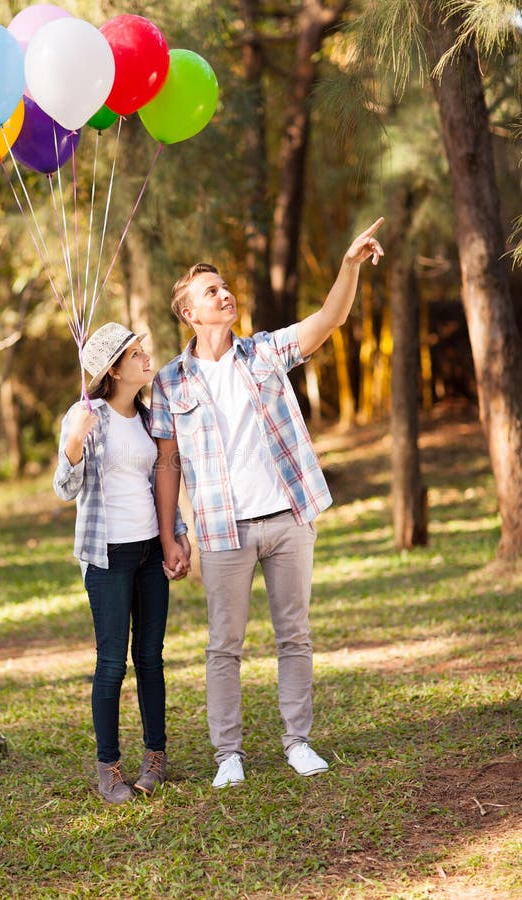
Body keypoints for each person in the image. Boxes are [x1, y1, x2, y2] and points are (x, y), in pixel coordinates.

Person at [151, 219, 385, 788]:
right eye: (211, 291)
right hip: (222, 530)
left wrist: (348, 266)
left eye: (225, 286)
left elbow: (329, 321)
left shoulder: (263, 353)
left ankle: (297, 742)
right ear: (190, 314)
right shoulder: (169, 382)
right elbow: (167, 463)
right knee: (223, 645)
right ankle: (227, 754)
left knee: (295, 635)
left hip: (287, 518)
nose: (225, 294)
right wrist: (170, 535)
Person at [53, 322, 190, 804]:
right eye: (136, 354)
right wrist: (74, 441)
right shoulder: (85, 414)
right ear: (113, 368)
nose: (147, 359)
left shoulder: (152, 419)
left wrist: (177, 535)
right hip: (108, 555)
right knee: (111, 663)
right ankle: (109, 768)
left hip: (151, 550)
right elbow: (64, 488)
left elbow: (163, 485)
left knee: (150, 658)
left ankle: (156, 756)